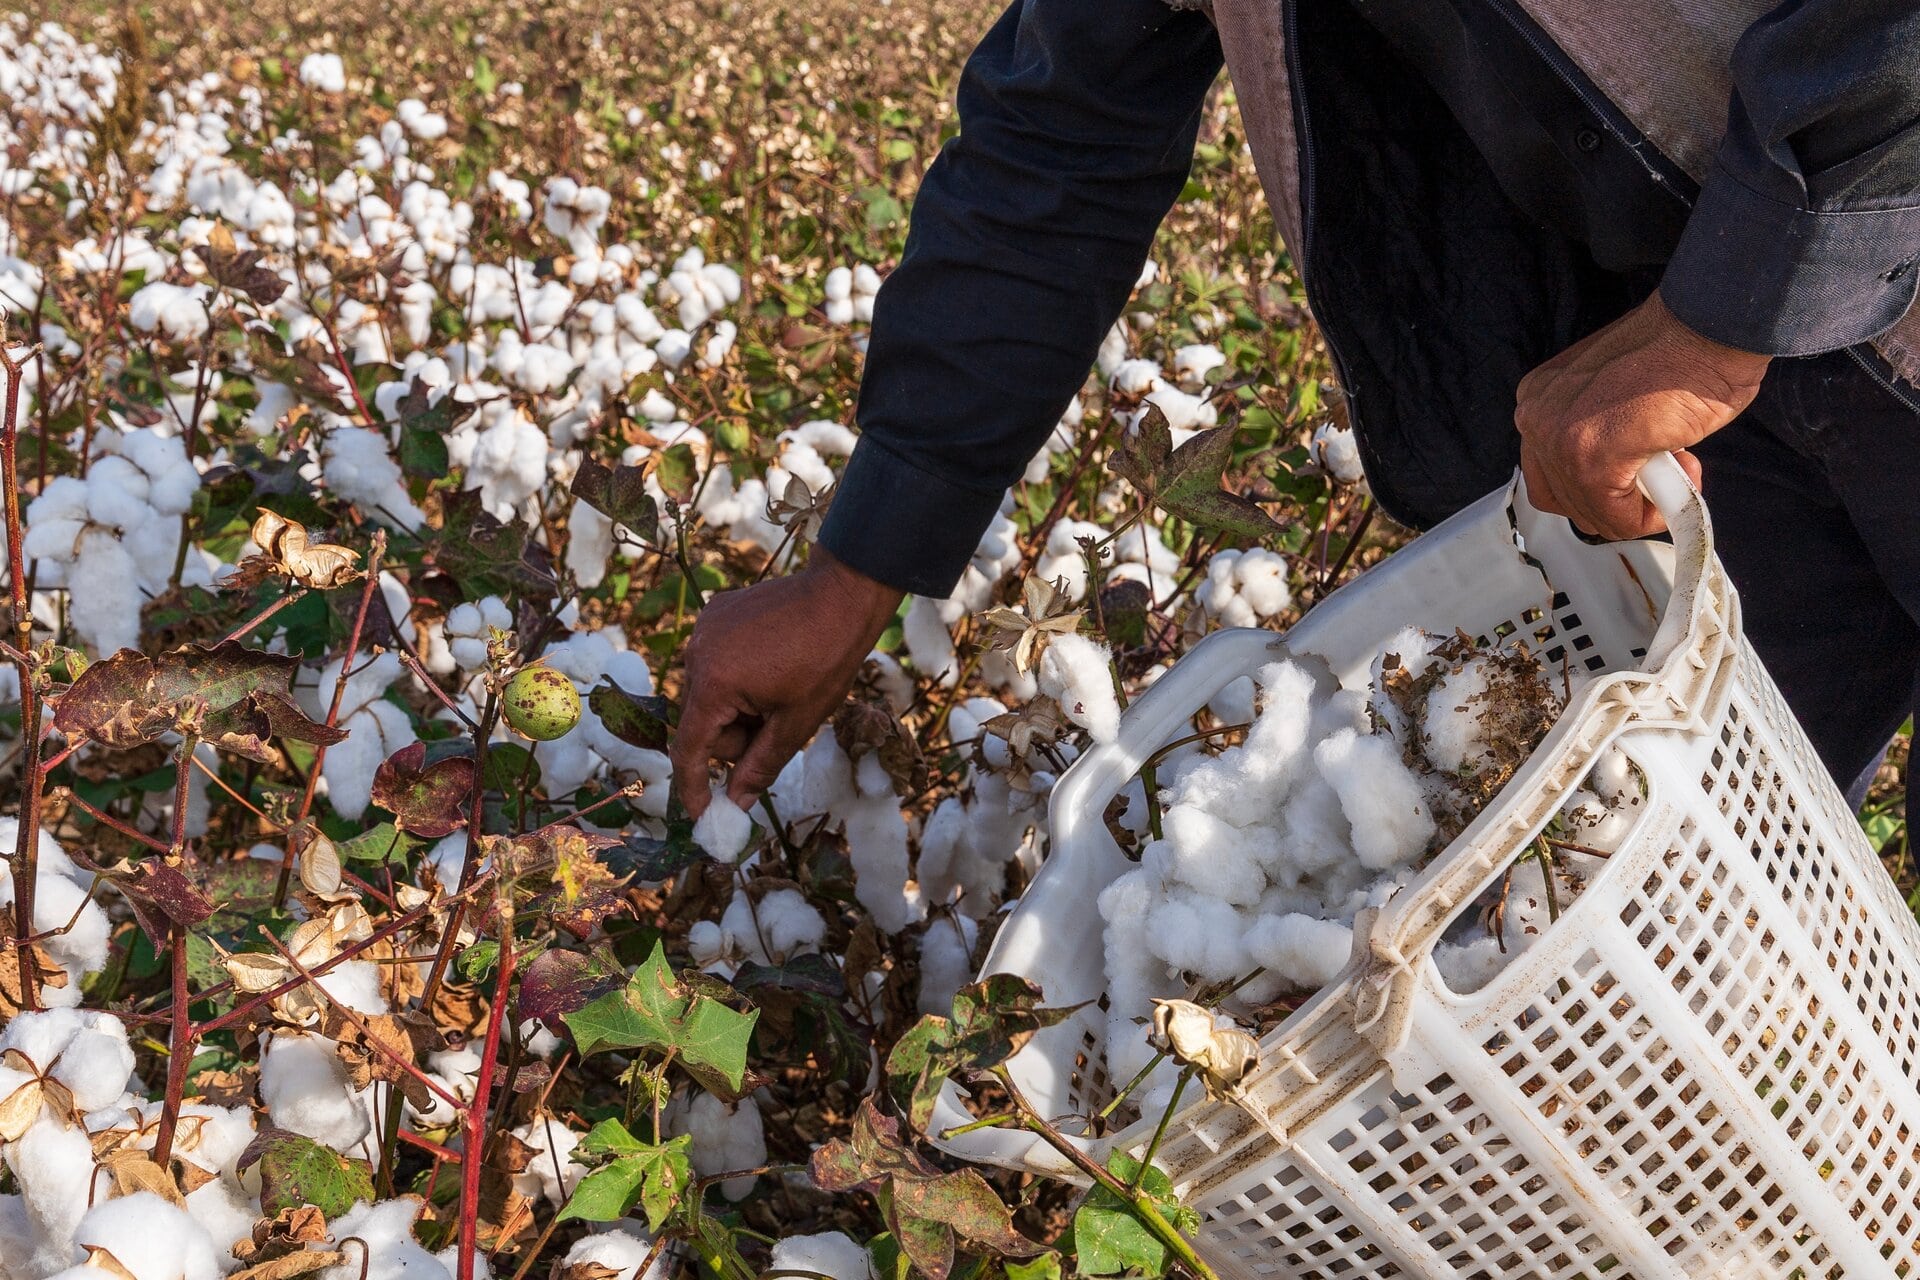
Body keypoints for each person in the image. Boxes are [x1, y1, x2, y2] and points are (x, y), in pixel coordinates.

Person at [673, 0, 1920, 818]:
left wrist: (1727, 314)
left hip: (1799, 293)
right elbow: (1060, 141)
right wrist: (856, 569)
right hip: (1678, 397)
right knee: (1657, 908)